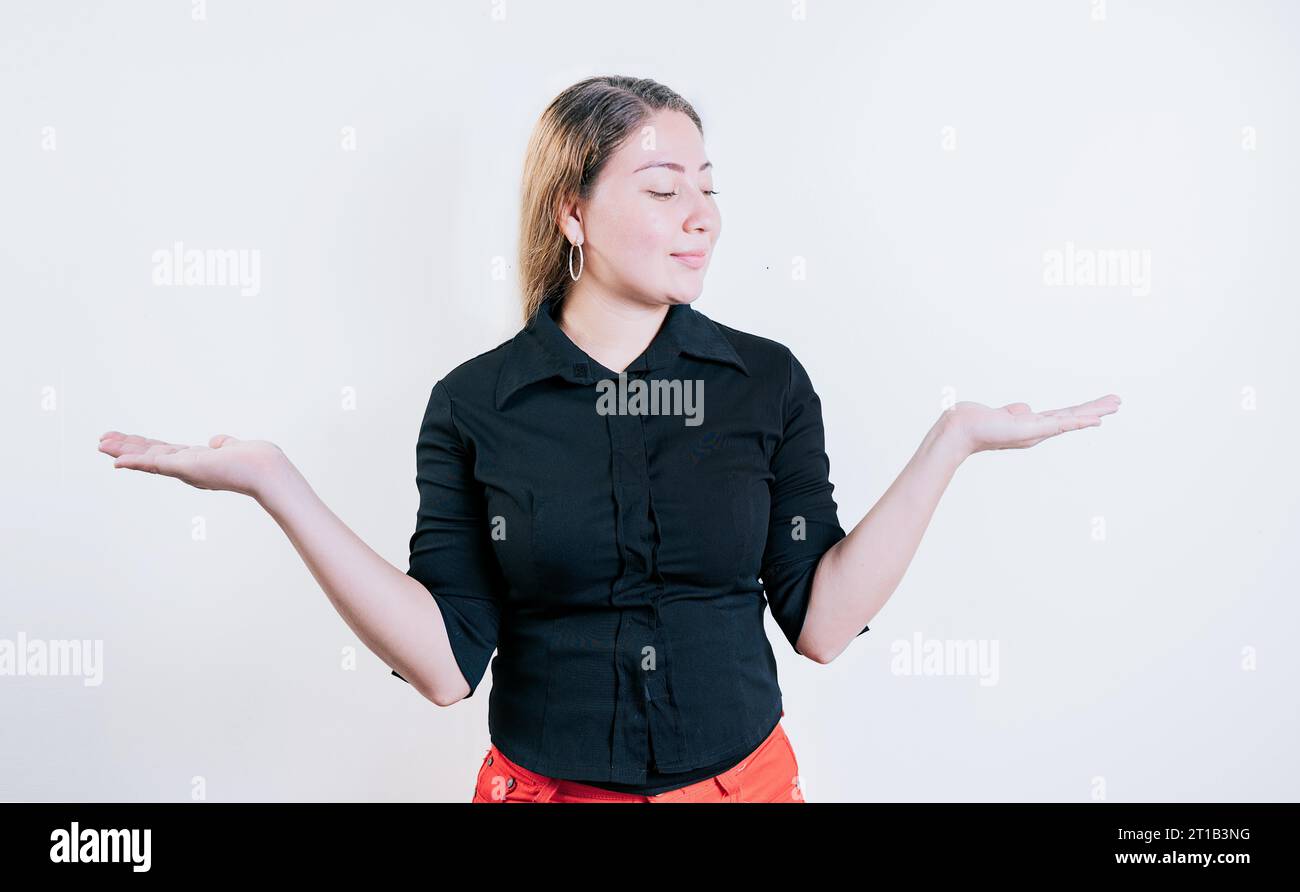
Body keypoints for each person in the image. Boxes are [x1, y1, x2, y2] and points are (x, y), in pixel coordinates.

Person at [98, 75, 1121, 803]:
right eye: (664, 188)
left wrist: (952, 443)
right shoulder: (473, 405)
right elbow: (448, 663)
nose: (702, 217)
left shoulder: (765, 383)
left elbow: (817, 619)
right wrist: (276, 483)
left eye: (709, 187)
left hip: (741, 790)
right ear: (572, 213)